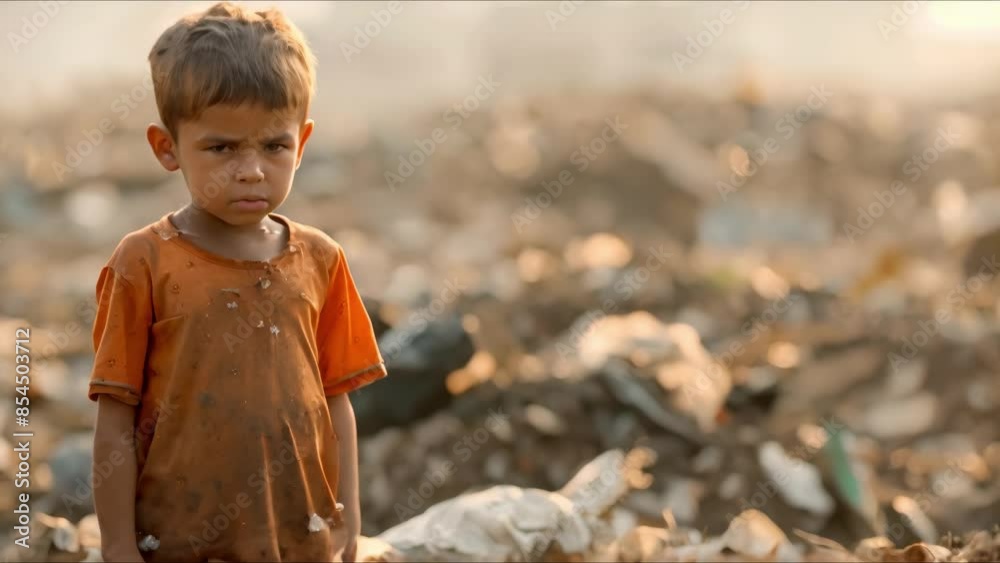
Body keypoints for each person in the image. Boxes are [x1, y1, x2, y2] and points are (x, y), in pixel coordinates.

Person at [88, 3, 386, 561]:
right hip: (178, 544)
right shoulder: (144, 262)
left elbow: (336, 406)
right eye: (222, 148)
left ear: (303, 142)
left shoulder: (321, 260)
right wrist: (118, 548)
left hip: (301, 543)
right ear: (167, 147)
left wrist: (349, 524)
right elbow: (115, 422)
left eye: (275, 146)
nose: (251, 169)